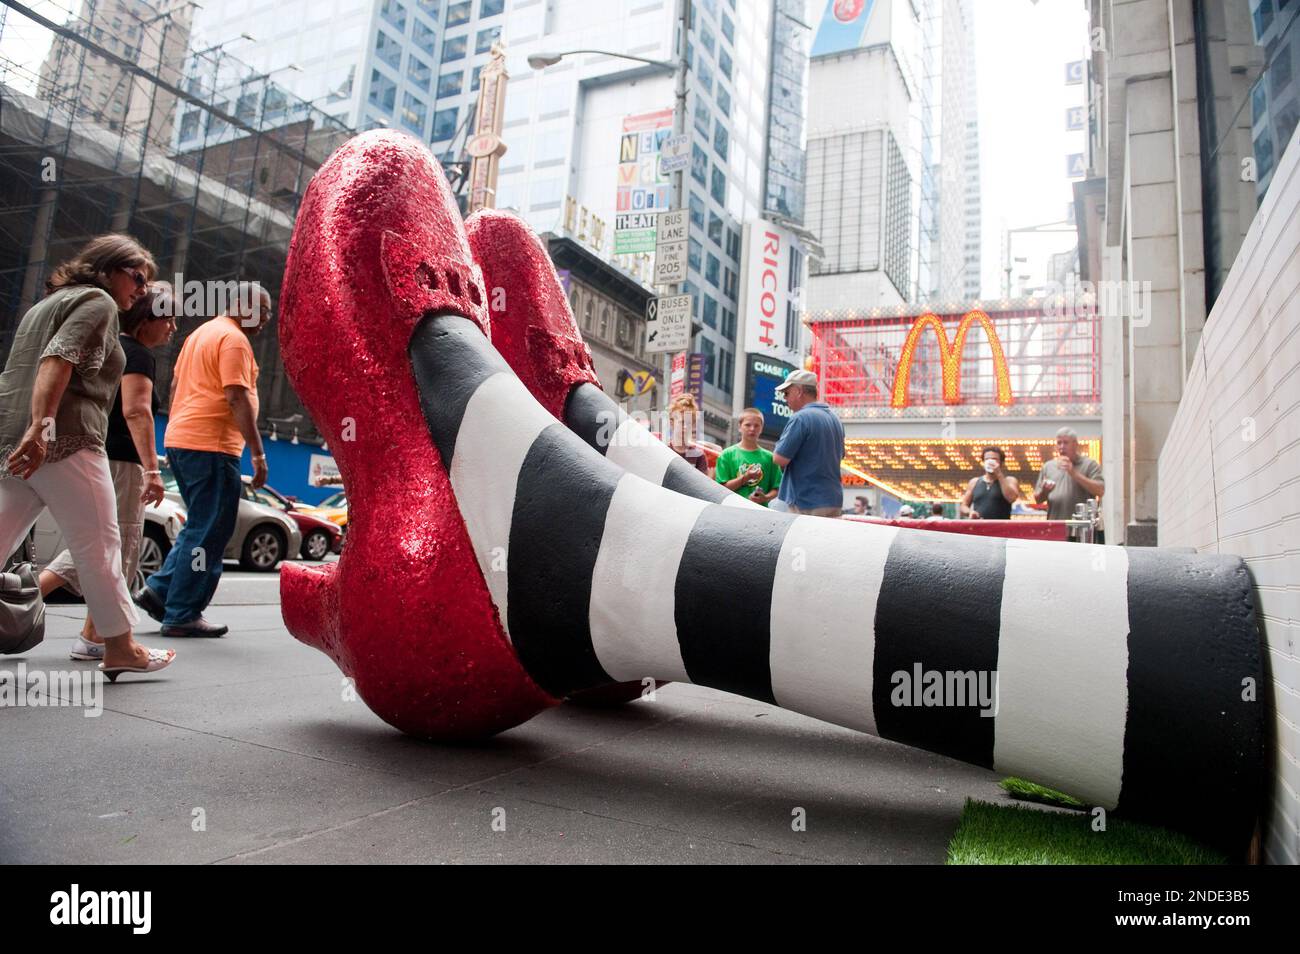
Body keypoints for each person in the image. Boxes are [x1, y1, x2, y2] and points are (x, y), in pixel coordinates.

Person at [0, 234, 175, 679]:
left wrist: (31, 430)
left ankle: (117, 643)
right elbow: (58, 358)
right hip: (68, 439)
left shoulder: (46, 304)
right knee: (100, 543)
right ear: (107, 270)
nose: (142, 289)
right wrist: (43, 427)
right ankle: (120, 646)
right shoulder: (98, 302)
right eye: (137, 278)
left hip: (14, 438)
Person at [38, 283, 176, 660]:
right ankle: (93, 634)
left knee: (99, 543)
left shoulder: (115, 346)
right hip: (122, 462)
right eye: (168, 318)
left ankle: (85, 629)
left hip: (101, 454)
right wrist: (152, 469)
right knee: (121, 542)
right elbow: (137, 411)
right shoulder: (138, 355)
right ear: (146, 319)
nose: (172, 328)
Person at [136, 283, 272, 637]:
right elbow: (236, 396)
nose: (266, 318)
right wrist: (257, 452)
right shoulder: (234, 339)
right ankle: (182, 612)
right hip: (212, 444)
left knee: (200, 523)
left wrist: (178, 430)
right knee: (211, 530)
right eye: (263, 310)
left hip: (184, 440)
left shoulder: (201, 334)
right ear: (242, 305)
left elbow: (175, 388)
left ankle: (160, 591)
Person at [772, 370, 845, 518]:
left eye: (786, 393)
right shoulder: (835, 418)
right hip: (833, 500)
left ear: (799, 391)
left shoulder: (800, 418)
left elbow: (779, 458)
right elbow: (841, 455)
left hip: (806, 501)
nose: (785, 398)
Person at [1034, 427, 1104, 535]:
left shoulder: (1089, 465)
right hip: (1055, 528)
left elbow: (1100, 491)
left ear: (1075, 444)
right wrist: (1045, 491)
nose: (1062, 447)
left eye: (1066, 443)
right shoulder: (1048, 466)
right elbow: (1038, 499)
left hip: (1081, 530)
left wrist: (1074, 473)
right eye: (1059, 443)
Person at [714, 407, 781, 506]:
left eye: (756, 426)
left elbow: (777, 488)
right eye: (748, 425)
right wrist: (746, 477)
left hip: (760, 512)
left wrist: (765, 497)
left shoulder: (770, 458)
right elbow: (721, 489)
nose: (752, 429)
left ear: (761, 428)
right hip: (733, 510)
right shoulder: (726, 455)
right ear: (739, 427)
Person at [961, 445, 1019, 520]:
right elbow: (963, 506)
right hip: (979, 525)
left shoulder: (1009, 480)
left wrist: (999, 474)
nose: (990, 462)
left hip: (1001, 526)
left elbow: (1011, 498)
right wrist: (970, 512)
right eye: (987, 459)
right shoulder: (974, 482)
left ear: (1001, 462)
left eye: (994, 459)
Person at [666, 392, 709, 475]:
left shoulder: (699, 456)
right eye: (682, 422)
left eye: (689, 423)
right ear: (672, 423)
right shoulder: (664, 449)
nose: (685, 427)